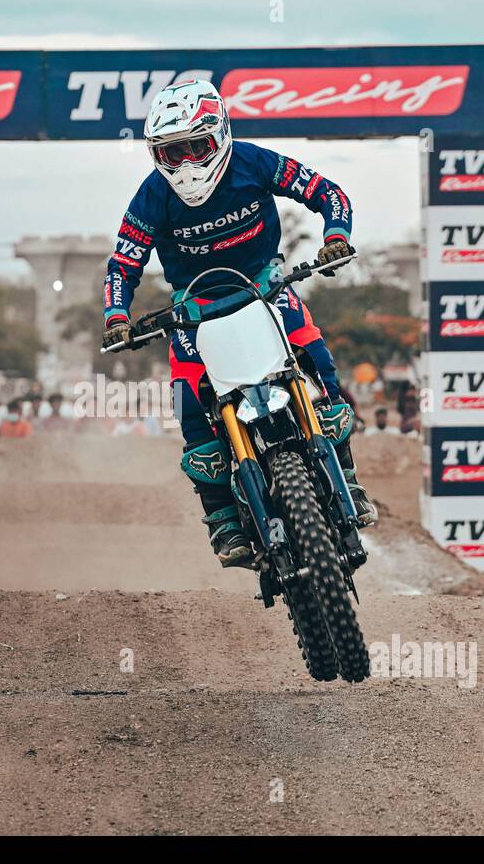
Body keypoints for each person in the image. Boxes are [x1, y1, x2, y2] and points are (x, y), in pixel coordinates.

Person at [99, 78, 374, 567]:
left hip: (264, 285)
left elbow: (327, 192)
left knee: (315, 357)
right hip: (194, 306)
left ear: (220, 134)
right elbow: (123, 262)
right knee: (187, 398)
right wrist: (116, 316)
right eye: (170, 154)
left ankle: (347, 476)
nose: (184, 164)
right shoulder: (152, 196)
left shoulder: (253, 161)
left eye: (194, 148)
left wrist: (335, 237)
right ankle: (224, 520)